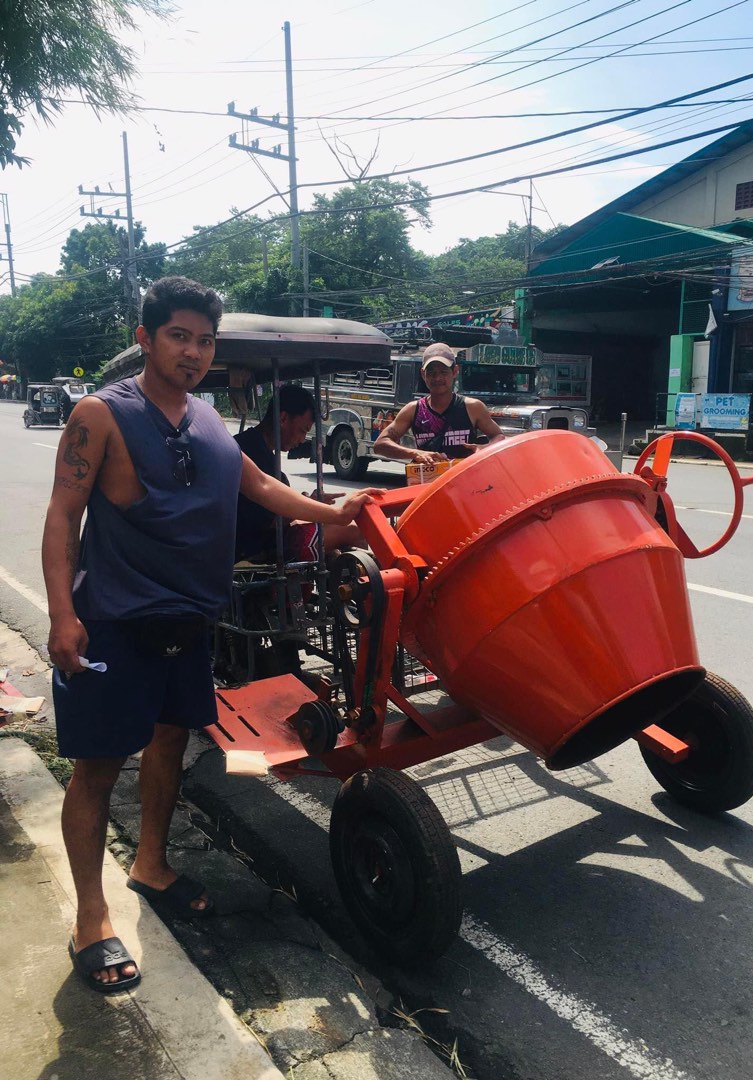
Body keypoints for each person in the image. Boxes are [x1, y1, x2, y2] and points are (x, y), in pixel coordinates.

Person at [41, 276, 379, 994]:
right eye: (178, 336)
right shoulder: (102, 414)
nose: (193, 352)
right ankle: (91, 919)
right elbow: (62, 515)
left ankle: (151, 864)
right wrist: (61, 615)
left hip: (189, 623)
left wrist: (336, 515)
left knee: (169, 742)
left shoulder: (208, 420)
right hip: (112, 622)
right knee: (99, 768)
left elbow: (258, 486)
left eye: (204, 340)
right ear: (147, 339)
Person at [234, 383, 361, 564]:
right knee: (352, 531)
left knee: (342, 531)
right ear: (283, 418)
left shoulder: (255, 446)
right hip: (252, 548)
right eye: (302, 430)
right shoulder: (250, 452)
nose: (302, 440)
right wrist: (315, 506)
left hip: (266, 538)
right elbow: (266, 521)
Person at [374, 341, 505, 465]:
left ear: (455, 372)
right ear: (423, 374)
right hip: (428, 484)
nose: (437, 378)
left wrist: (485, 448)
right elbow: (380, 444)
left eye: (443, 372)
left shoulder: (472, 407)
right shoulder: (413, 410)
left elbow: (499, 436)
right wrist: (415, 453)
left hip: (462, 484)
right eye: (431, 373)